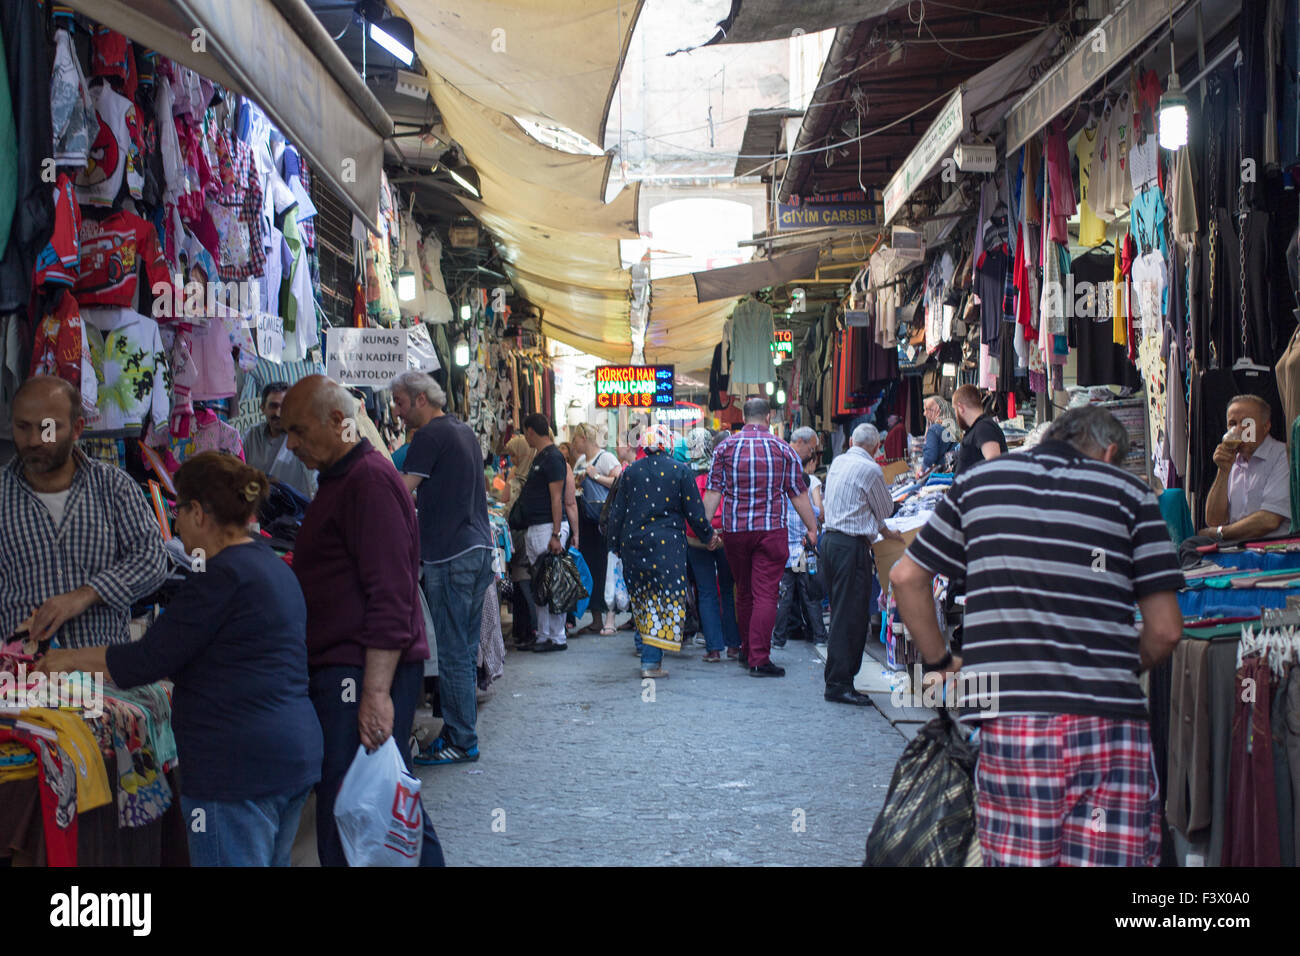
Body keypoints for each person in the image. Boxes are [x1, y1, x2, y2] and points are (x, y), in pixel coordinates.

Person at [890, 405, 1185, 866]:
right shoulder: (1132, 495)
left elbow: (906, 577)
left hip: (1012, 725)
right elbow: (1166, 631)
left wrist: (940, 663)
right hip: (1109, 724)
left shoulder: (979, 485)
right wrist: (1110, 663)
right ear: (1109, 452)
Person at [37, 453, 323, 866]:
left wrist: (64, 659)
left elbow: (145, 661)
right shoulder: (269, 565)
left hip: (237, 768)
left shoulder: (220, 578)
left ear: (199, 513)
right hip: (288, 754)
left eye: (177, 512)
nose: (174, 524)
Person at [280, 375, 444, 867]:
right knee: (375, 803)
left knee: (361, 805)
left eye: (299, 431)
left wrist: (374, 694)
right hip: (349, 671)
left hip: (360, 673)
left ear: (337, 422)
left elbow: (391, 594)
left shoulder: (367, 480)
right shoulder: (343, 477)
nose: (290, 444)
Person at [1, 376, 169, 648]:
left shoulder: (113, 487)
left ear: (77, 428)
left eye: (47, 428)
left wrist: (87, 594)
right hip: (23, 676)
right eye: (22, 427)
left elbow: (152, 559)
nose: (33, 440)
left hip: (100, 672)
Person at [390, 371, 495, 767]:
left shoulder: (429, 436)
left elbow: (401, 490)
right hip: (476, 550)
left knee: (452, 651)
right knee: (463, 651)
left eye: (400, 403)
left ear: (420, 399)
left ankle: (463, 739)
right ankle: (457, 732)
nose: (398, 413)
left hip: (451, 555)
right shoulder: (462, 431)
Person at [701, 397, 820, 678]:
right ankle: (759, 657)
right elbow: (798, 494)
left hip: (735, 531)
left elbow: (713, 492)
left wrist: (706, 529)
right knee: (766, 592)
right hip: (770, 531)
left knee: (744, 590)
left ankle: (746, 649)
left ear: (744, 416)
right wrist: (812, 528)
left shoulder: (725, 448)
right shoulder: (783, 449)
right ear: (768, 417)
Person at [606, 424, 720, 678]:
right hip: (667, 548)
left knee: (644, 600)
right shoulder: (680, 471)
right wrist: (709, 536)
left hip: (633, 547)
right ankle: (650, 662)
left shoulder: (630, 472)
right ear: (667, 444)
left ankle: (648, 654)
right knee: (663, 601)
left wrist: (613, 546)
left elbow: (617, 513)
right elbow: (695, 513)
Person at [820, 423, 902, 705]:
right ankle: (840, 683)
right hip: (850, 547)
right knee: (850, 616)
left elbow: (861, 508)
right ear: (877, 446)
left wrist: (883, 529)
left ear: (852, 440)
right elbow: (885, 508)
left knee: (841, 612)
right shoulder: (871, 470)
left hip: (830, 543)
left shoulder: (839, 461)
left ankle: (837, 679)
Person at [1199, 394, 1291, 542]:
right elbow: (1214, 520)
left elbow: (1269, 520)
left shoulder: (1282, 455)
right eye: (1232, 424)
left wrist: (1220, 533)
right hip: (1238, 549)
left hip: (1273, 551)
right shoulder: (1233, 461)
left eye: (1247, 424)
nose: (1238, 430)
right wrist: (1223, 471)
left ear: (1266, 426)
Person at [684, 427, 740, 662]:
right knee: (727, 590)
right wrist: (717, 535)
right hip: (724, 536)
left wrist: (706, 535)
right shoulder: (724, 471)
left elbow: (686, 509)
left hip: (696, 539)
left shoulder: (685, 473)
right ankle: (734, 646)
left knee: (706, 592)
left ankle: (713, 649)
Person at [517, 414, 572, 653]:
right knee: (540, 581)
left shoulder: (553, 458)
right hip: (538, 527)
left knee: (551, 582)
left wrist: (557, 534)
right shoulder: (542, 457)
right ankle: (544, 634)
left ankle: (557, 636)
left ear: (530, 431)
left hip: (547, 528)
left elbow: (556, 498)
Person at [774, 433, 827, 648]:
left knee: (784, 599)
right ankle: (820, 637)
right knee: (810, 597)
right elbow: (819, 514)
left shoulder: (783, 504)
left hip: (786, 555)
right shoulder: (808, 507)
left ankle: (778, 639)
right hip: (804, 555)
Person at [571, 422, 621, 635]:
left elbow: (619, 480)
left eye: (575, 439)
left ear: (584, 438)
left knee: (601, 566)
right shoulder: (581, 460)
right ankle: (596, 617)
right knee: (589, 566)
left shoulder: (606, 458)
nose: (573, 443)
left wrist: (596, 476)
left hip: (601, 520)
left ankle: (605, 614)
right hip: (585, 520)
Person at [241, 380, 318, 498]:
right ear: (262, 408)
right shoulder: (251, 435)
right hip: (258, 511)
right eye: (273, 406)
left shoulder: (305, 438)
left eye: (284, 407)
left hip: (297, 513)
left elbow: (316, 482)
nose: (278, 413)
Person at [500, 434, 538, 647]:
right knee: (521, 582)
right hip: (524, 534)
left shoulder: (521, 479)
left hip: (521, 535)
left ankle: (531, 630)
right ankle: (524, 630)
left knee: (522, 582)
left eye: (514, 455)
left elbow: (507, 503)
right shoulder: (529, 474)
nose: (512, 460)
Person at [951, 384, 1007, 475]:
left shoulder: (984, 428)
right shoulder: (979, 428)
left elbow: (994, 463)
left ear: (960, 407)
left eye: (955, 409)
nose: (955, 414)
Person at [921, 395, 959, 470]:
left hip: (943, 474)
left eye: (926, 409)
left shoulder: (933, 430)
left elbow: (929, 458)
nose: (924, 414)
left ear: (937, 411)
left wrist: (921, 470)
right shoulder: (954, 426)